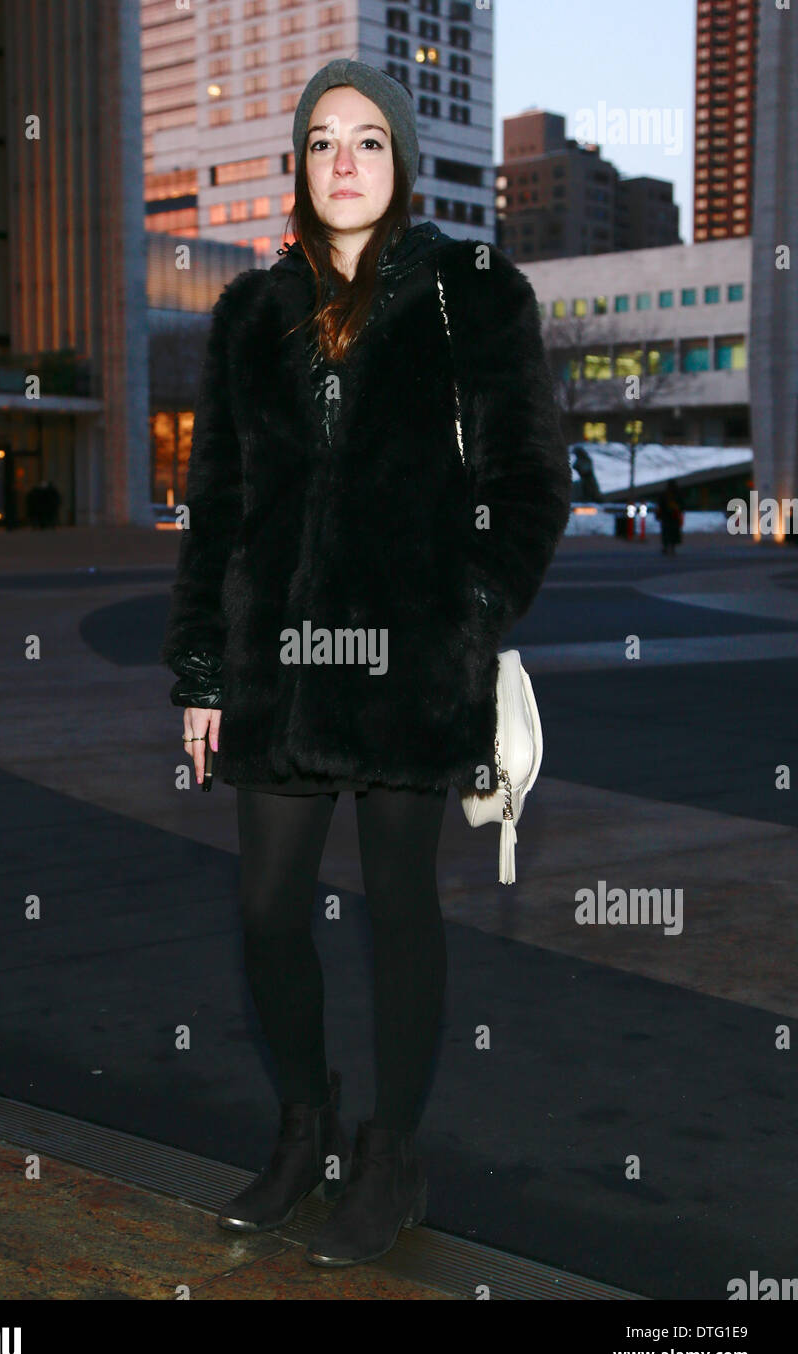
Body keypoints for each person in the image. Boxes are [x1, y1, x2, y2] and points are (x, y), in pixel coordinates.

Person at [159, 59, 572, 1268]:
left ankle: (390, 1159)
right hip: (278, 663)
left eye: (369, 140)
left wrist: (471, 614)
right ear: (299, 165)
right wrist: (198, 671)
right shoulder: (249, 312)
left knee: (400, 910)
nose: (345, 161)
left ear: (398, 164)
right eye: (323, 140)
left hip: (409, 663)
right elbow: (219, 504)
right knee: (266, 910)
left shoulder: (471, 295)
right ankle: (303, 1133)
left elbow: (528, 483)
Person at [656, 479, 684, 555]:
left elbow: (660, 505)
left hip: (666, 516)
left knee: (666, 532)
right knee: (673, 532)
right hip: (674, 515)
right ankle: (672, 547)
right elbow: (681, 505)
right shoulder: (677, 494)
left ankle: (666, 547)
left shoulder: (664, 494)